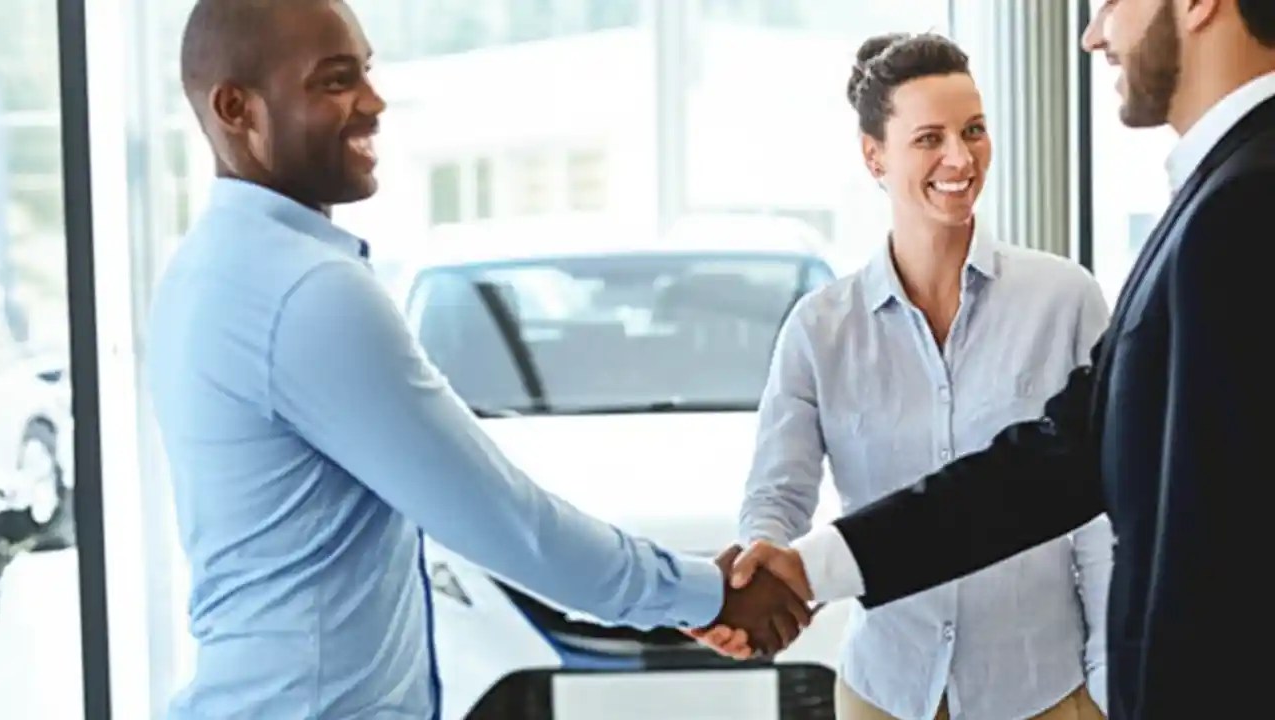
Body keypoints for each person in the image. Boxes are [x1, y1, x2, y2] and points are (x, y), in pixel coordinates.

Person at [147, 1, 808, 717]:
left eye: (366, 73)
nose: (373, 102)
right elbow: (507, 523)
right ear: (235, 108)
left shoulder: (203, 271)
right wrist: (705, 591)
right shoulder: (310, 292)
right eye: (335, 82)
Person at [704, 1, 1275, 717]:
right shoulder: (1221, 192)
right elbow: (1061, 460)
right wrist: (802, 568)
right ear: (873, 153)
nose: (1091, 32)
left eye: (1112, 2)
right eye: (928, 137)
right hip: (893, 678)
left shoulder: (1245, 200)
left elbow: (1190, 526)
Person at [720, 32, 1112, 720]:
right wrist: (762, 577)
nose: (960, 158)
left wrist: (1109, 682)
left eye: (974, 131)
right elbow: (778, 495)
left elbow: (1101, 509)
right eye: (929, 138)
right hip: (887, 691)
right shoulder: (821, 328)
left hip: (1042, 691)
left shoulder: (1065, 299)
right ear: (875, 156)